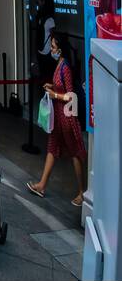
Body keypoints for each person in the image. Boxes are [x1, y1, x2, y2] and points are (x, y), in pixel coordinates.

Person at [27, 31, 87, 206]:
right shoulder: (60, 65)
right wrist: (53, 86)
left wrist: (55, 95)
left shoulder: (65, 67)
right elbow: (62, 87)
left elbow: (71, 96)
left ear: (60, 49)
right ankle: (42, 185)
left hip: (67, 117)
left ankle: (82, 192)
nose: (51, 50)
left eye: (53, 47)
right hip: (59, 118)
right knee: (52, 148)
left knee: (75, 152)